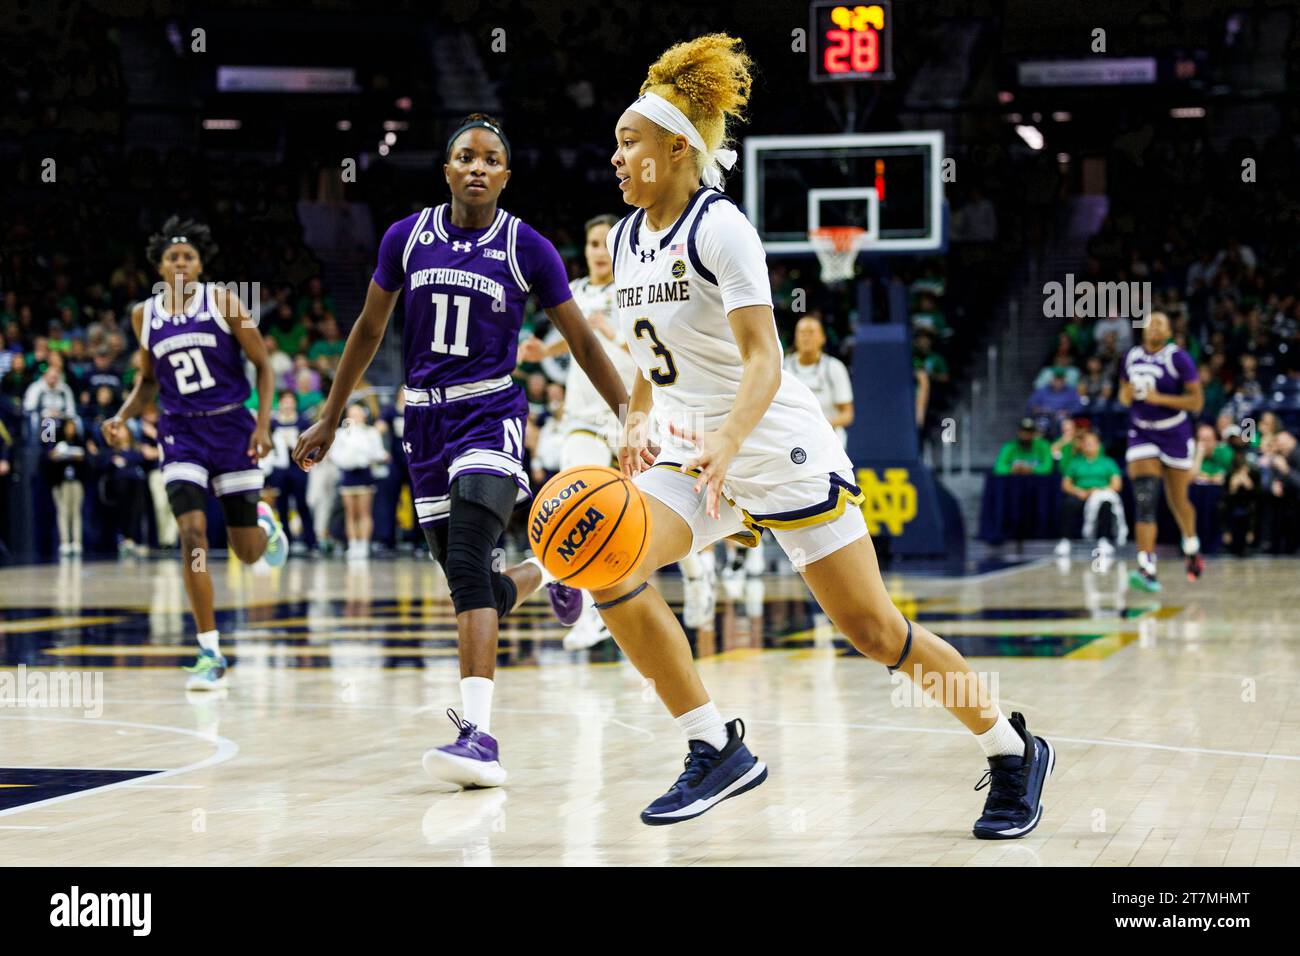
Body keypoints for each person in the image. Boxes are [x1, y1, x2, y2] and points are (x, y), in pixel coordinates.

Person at [595, 34, 1052, 835]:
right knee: (610, 564)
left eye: (629, 142)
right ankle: (714, 747)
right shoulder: (628, 240)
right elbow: (644, 351)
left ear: (676, 149)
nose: (616, 156)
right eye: (615, 144)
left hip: (772, 445)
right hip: (694, 452)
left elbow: (763, 358)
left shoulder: (722, 228)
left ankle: (1012, 748)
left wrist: (730, 445)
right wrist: (637, 416)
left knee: (877, 633)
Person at [291, 113, 634, 789]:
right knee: (470, 587)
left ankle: (479, 735)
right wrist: (329, 417)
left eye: (491, 160)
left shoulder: (527, 246)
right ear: (446, 169)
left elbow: (586, 343)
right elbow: (366, 329)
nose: (477, 167)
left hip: (491, 411)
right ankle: (553, 575)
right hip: (422, 424)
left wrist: (631, 416)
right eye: (465, 157)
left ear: (505, 176)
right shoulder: (405, 237)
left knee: (472, 558)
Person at [103, 217, 288, 691]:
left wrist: (264, 424)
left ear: (201, 264)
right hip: (180, 432)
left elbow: (263, 366)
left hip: (232, 429)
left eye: (188, 256)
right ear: (160, 267)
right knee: (192, 534)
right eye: (172, 257)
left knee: (248, 554)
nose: (181, 263)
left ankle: (263, 521)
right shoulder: (144, 315)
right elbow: (147, 381)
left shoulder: (224, 301)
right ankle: (209, 650)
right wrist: (123, 417)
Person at [522, 214, 717, 649]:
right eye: (591, 243)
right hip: (584, 418)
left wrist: (609, 329)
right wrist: (543, 350)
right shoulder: (573, 291)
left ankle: (699, 578)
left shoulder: (636, 290)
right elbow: (575, 338)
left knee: (657, 514)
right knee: (578, 502)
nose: (597, 251)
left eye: (603, 244)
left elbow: (655, 346)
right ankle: (589, 608)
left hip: (635, 417)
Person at [1120, 310, 1205, 591]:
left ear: (1168, 331)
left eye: (1160, 322)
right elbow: (1123, 396)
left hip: (1174, 432)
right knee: (1145, 498)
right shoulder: (1131, 356)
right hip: (1142, 431)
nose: (1153, 326)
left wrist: (1160, 398)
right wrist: (1128, 394)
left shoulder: (1178, 357)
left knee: (1178, 501)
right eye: (1149, 321)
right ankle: (1146, 568)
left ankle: (1191, 546)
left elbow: (1196, 403)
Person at [328, 402, 388, 560]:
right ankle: (353, 544)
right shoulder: (342, 433)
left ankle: (363, 545)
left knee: (364, 512)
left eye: (358, 413)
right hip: (348, 475)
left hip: (364, 474)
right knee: (350, 512)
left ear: (364, 414)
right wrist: (346, 460)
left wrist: (374, 457)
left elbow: (378, 452)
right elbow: (335, 454)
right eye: (351, 414)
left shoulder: (371, 432)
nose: (355, 417)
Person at [1056, 430, 1126, 557]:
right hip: (1081, 495)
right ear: (1081, 445)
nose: (1089, 446)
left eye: (1092, 443)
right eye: (1086, 443)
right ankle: (1065, 540)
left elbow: (1117, 485)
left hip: (1101, 495)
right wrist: (1077, 491)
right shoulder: (1074, 462)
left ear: (1098, 445)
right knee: (1068, 504)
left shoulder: (1108, 462)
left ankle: (1104, 540)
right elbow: (1066, 484)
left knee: (1106, 504)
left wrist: (1099, 491)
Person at [266, 390, 317, 553]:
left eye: (290, 401)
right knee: (281, 506)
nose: (287, 405)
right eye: (284, 401)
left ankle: (311, 542)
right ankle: (284, 542)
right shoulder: (272, 423)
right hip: (279, 470)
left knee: (302, 504)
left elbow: (312, 444)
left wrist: (295, 446)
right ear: (279, 403)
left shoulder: (303, 422)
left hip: (298, 467)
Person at [44, 418, 89, 557]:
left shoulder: (80, 441)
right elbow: (48, 456)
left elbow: (85, 459)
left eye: (73, 427)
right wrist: (56, 454)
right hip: (60, 482)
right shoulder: (54, 441)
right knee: (62, 512)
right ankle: (64, 542)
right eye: (68, 427)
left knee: (76, 512)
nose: (71, 430)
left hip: (76, 482)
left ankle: (77, 542)